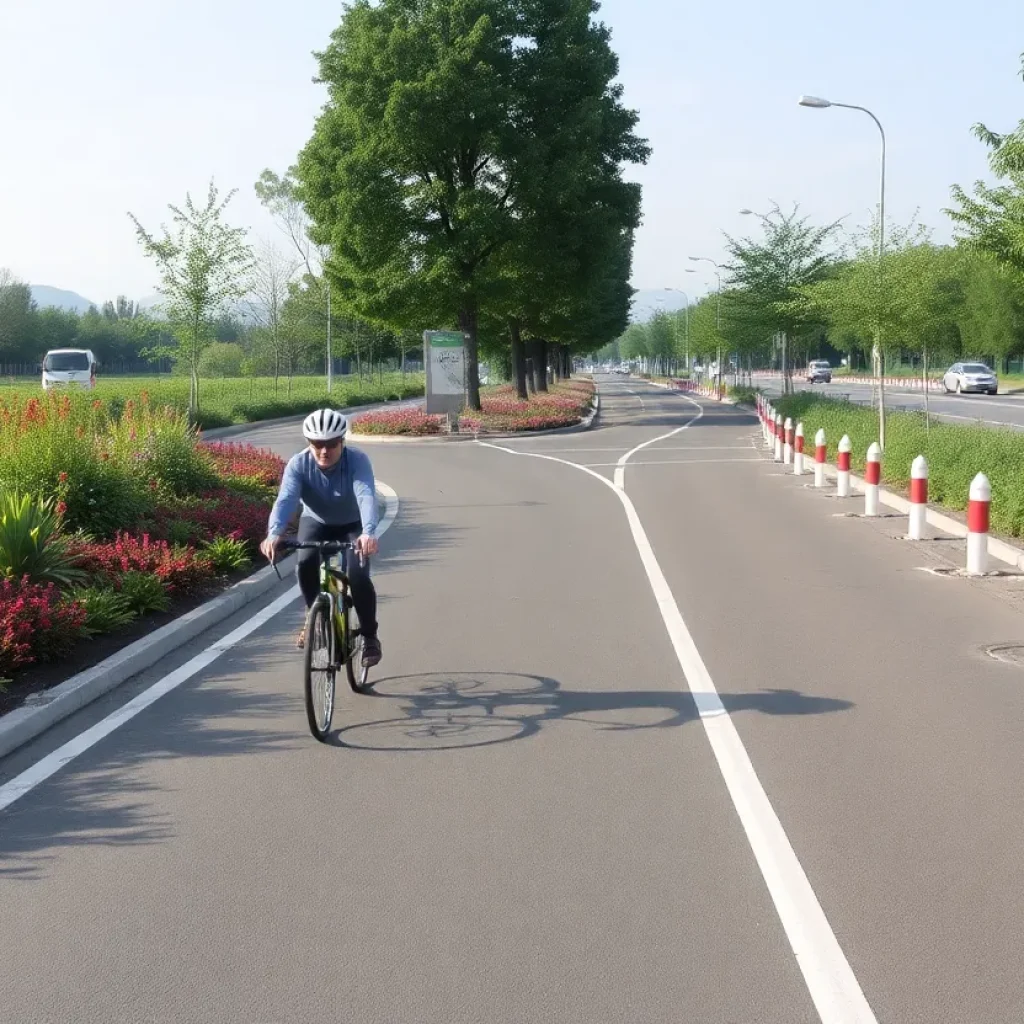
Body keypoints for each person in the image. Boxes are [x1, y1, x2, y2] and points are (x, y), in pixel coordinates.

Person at [260, 408, 382, 665]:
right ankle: (313, 615)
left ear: (342, 442)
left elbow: (366, 496)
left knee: (357, 575)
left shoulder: (357, 461)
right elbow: (285, 501)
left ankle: (370, 637)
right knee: (305, 562)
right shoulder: (298, 464)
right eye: (317, 444)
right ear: (309, 443)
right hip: (316, 521)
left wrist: (369, 532)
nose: (324, 451)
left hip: (353, 524)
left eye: (331, 444)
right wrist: (274, 534)